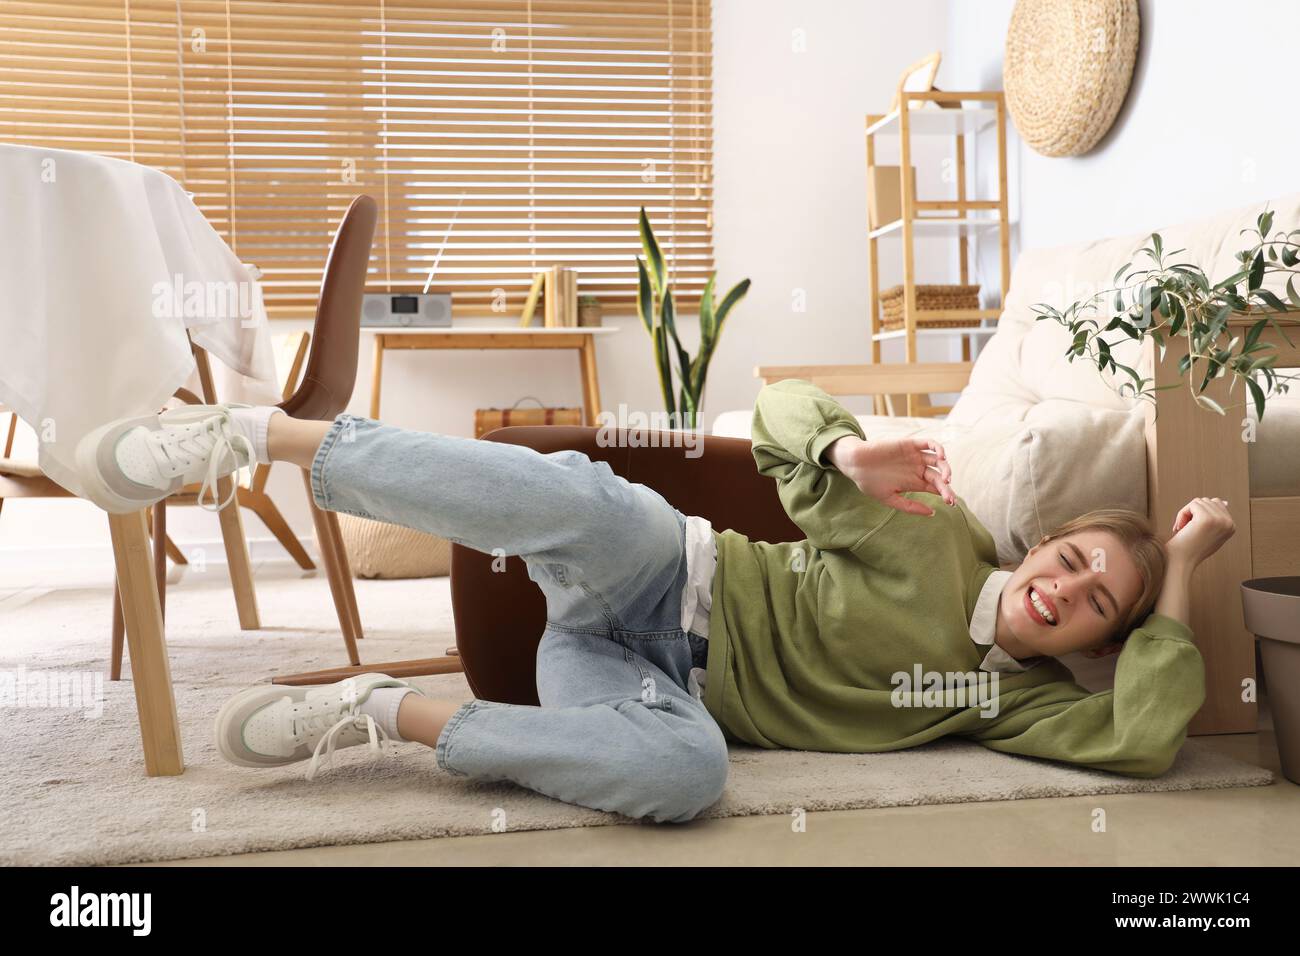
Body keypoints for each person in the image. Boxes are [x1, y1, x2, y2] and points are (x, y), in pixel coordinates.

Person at [73, 379, 1235, 824]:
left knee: (689, 778)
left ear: (1098, 640)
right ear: (1041, 542)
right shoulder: (946, 541)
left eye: (1099, 602)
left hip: (641, 676)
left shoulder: (1006, 702)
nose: (1067, 587)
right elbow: (779, 414)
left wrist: (1179, 569)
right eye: (1074, 557)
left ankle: (378, 715)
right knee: (595, 507)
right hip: (663, 567)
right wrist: (842, 457)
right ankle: (246, 435)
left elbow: (1142, 736)